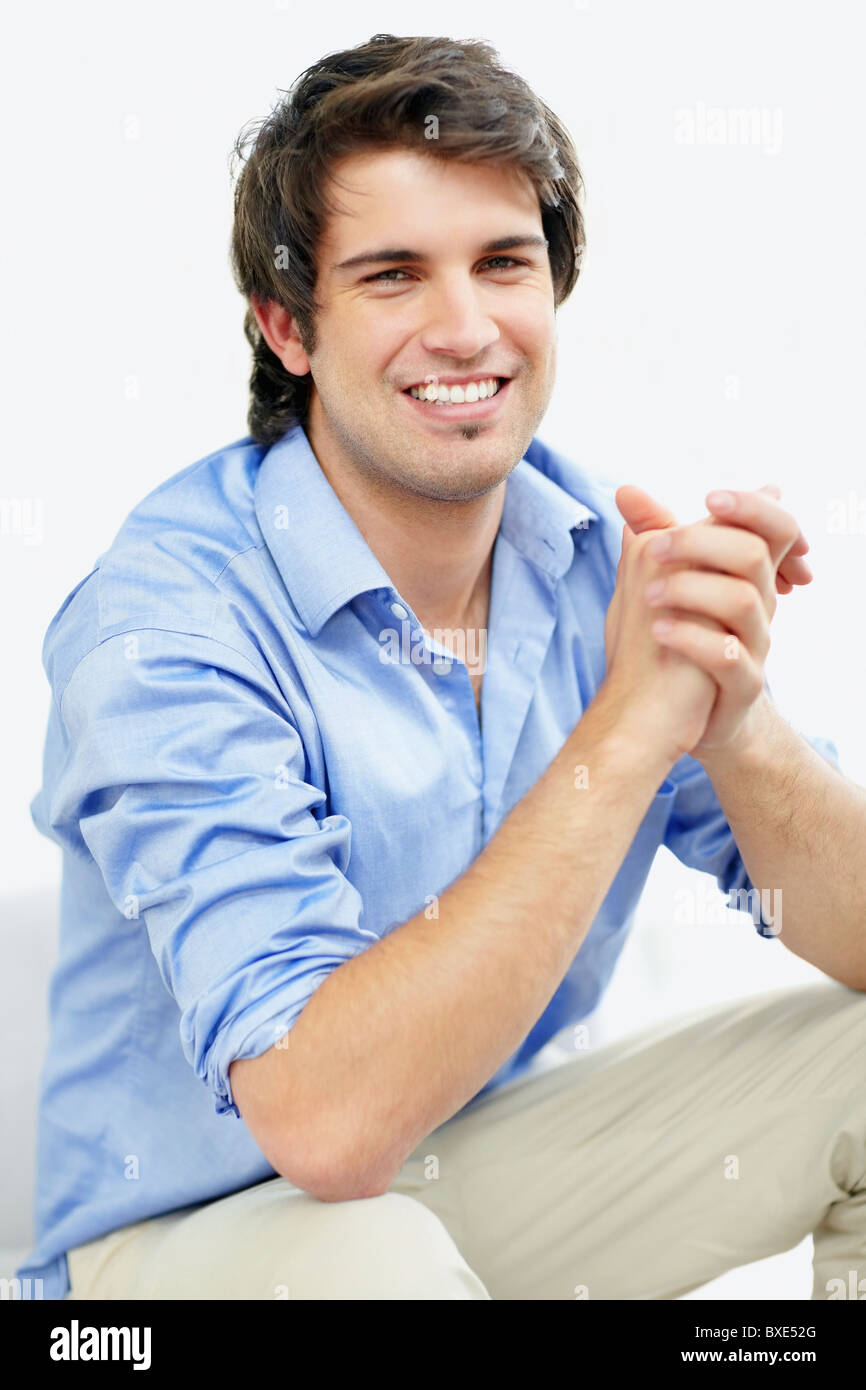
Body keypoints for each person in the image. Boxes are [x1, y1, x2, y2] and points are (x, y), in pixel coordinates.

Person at [18, 33, 866, 1302]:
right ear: (286, 326)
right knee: (376, 1257)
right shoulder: (165, 628)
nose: (463, 326)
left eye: (502, 263)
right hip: (165, 1258)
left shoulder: (589, 559)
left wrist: (727, 713)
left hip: (455, 1178)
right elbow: (323, 1125)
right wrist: (628, 729)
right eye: (393, 275)